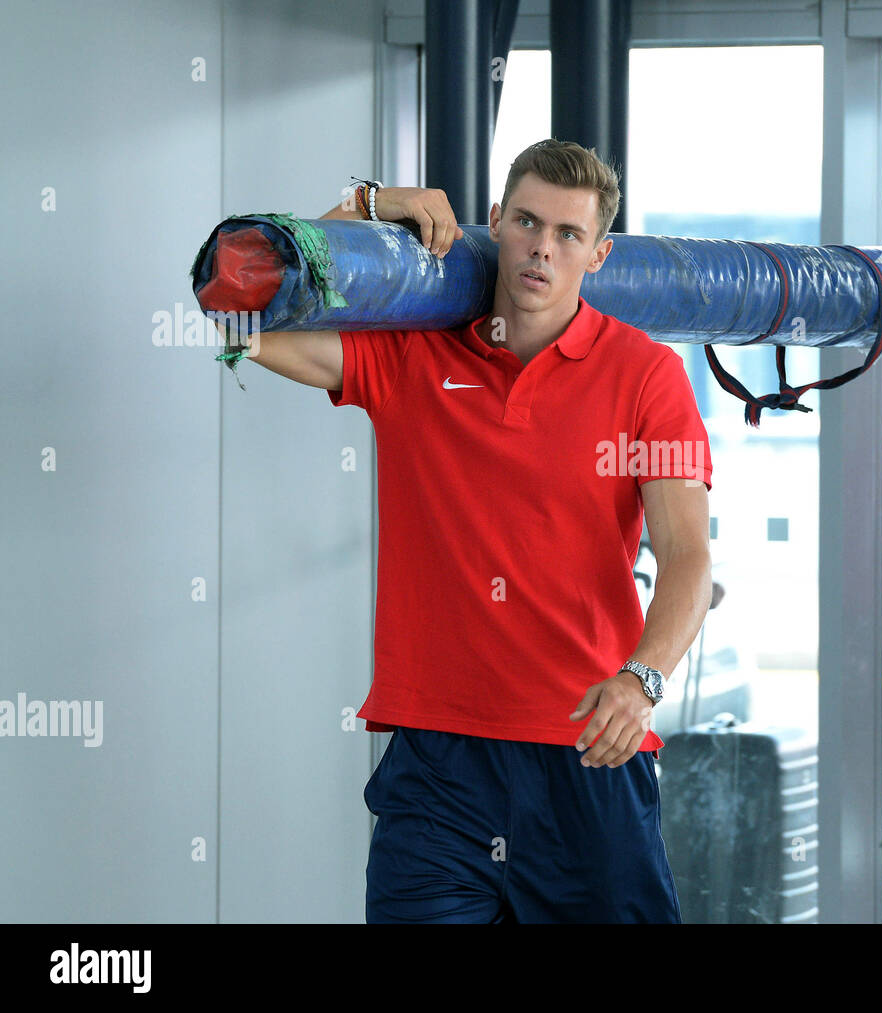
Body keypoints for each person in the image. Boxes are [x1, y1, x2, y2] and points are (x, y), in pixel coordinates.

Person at [230, 139, 714, 922]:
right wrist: (364, 205)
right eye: (525, 222)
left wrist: (644, 678)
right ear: (495, 222)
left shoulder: (646, 376)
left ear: (598, 254)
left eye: (567, 235)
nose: (540, 249)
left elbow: (689, 553)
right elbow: (245, 308)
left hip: (588, 747)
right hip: (437, 764)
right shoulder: (412, 355)